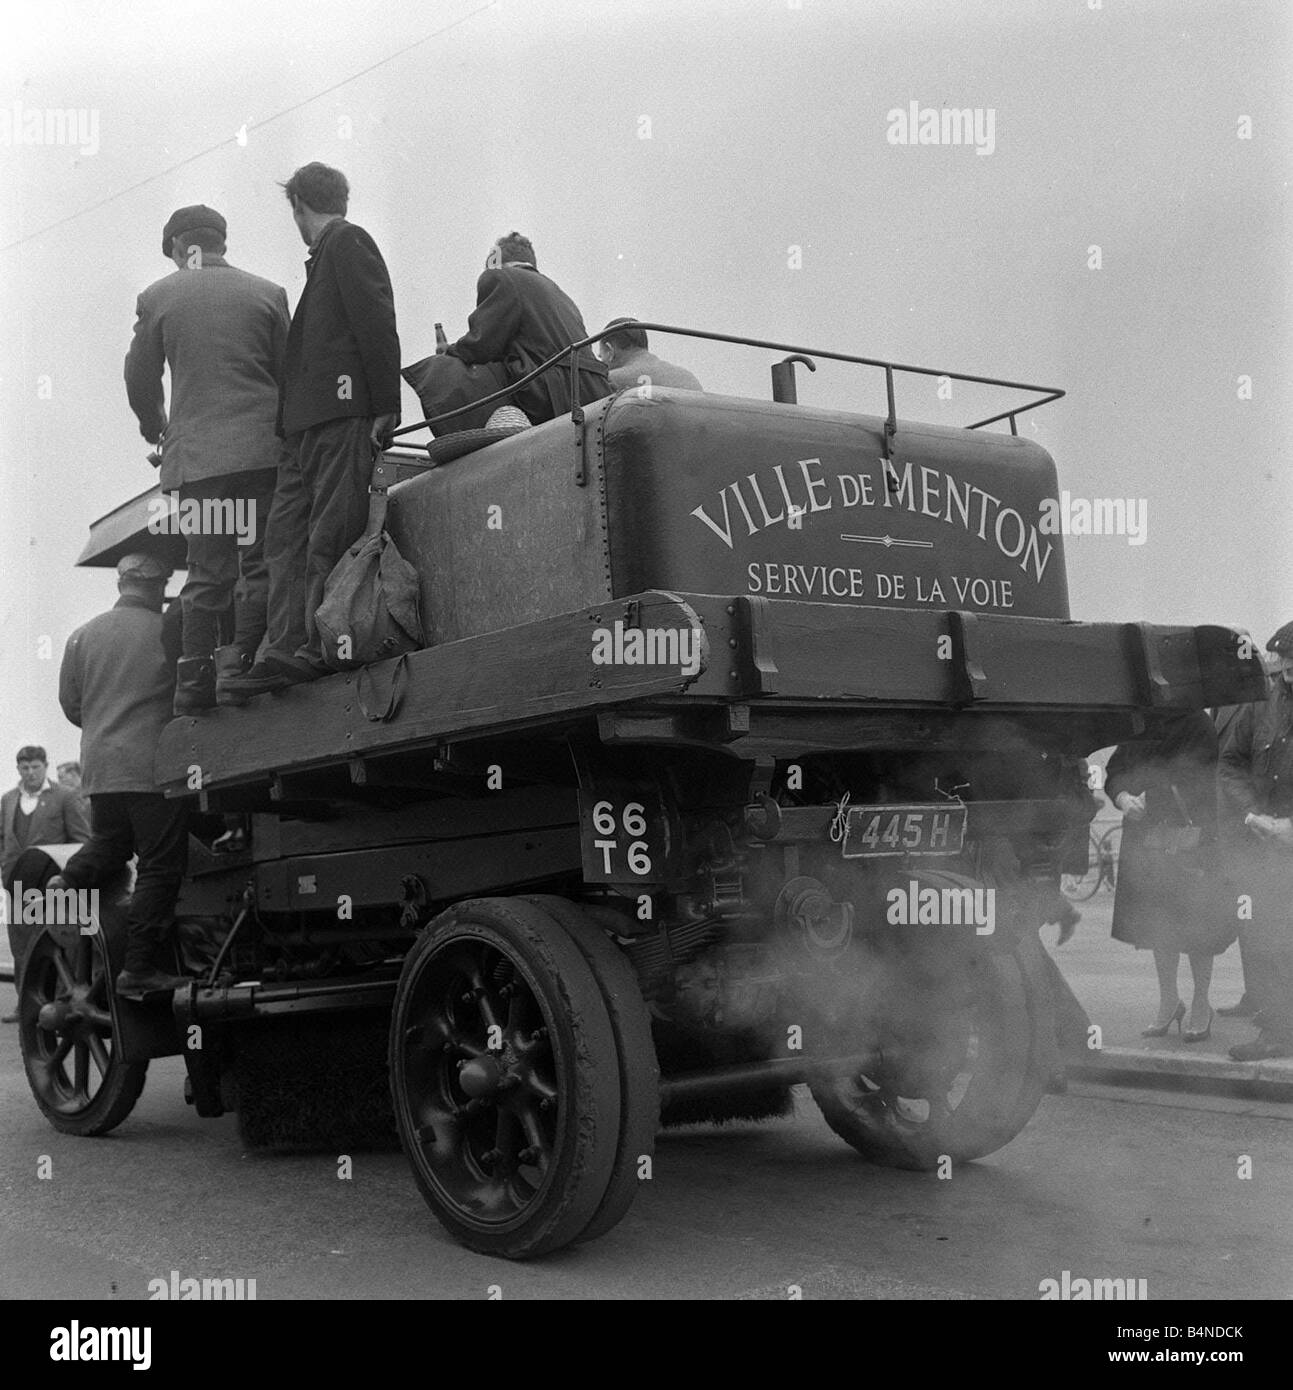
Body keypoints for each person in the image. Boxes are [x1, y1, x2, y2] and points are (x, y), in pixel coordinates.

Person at [223, 163, 401, 699]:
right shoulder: (328, 254)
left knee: (327, 533)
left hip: (338, 417)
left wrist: (385, 406)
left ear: (299, 203)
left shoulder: (349, 243)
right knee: (285, 540)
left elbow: (377, 322)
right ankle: (283, 649)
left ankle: (318, 648)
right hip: (304, 427)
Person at [124, 204, 290, 712]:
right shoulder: (268, 294)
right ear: (222, 242)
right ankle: (243, 667)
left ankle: (194, 685)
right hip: (263, 457)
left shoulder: (159, 297)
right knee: (259, 561)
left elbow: (139, 377)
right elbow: (291, 376)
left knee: (206, 570)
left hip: (199, 466)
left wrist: (156, 426)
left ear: (178, 247)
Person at [55, 554, 191, 998]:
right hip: (149, 768)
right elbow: (189, 694)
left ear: (121, 584)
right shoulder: (168, 631)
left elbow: (73, 706)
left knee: (111, 843)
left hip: (100, 768)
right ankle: (138, 969)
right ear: (157, 586)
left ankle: (69, 880)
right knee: (160, 864)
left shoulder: (81, 636)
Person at [1106, 711, 1231, 1042]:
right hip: (1146, 840)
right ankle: (1169, 1001)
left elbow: (1198, 776)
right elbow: (1116, 769)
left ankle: (1201, 1003)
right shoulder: (1139, 720)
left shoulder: (1197, 723)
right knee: (1158, 926)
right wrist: (1121, 797)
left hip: (1189, 841)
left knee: (1196, 927)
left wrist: (1151, 796)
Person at [1218, 622, 1293, 1060]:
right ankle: (1279, 1032)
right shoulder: (1260, 703)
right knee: (1271, 941)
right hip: (1265, 849)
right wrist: (1253, 813)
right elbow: (1229, 764)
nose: (1285, 671)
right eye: (1283, 664)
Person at [443, 232, 610, 425]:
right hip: (593, 391)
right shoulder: (560, 293)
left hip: (550, 392)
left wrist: (449, 352)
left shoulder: (500, 276)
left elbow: (482, 344)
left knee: (443, 368)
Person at [1213, 649, 1282, 1018]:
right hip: (1237, 829)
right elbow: (1226, 763)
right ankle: (1256, 996)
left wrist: (1257, 813)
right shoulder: (1223, 704)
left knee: (1269, 923)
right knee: (1249, 920)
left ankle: (1272, 1006)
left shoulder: (1261, 703)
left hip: (1259, 831)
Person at [1, 746, 91, 1021]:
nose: (30, 773)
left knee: (59, 940)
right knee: (21, 945)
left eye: (35, 767)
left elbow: (81, 839)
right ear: (18, 769)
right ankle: (25, 1005)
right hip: (18, 883)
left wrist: (70, 875)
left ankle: (61, 1000)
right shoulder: (8, 800)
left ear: (45, 766)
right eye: (25, 768)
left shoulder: (64, 797)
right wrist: (5, 866)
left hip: (53, 884)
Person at [598, 316, 704, 392]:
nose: (601, 360)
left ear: (610, 350)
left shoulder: (611, 380)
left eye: (601, 355)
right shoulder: (688, 377)